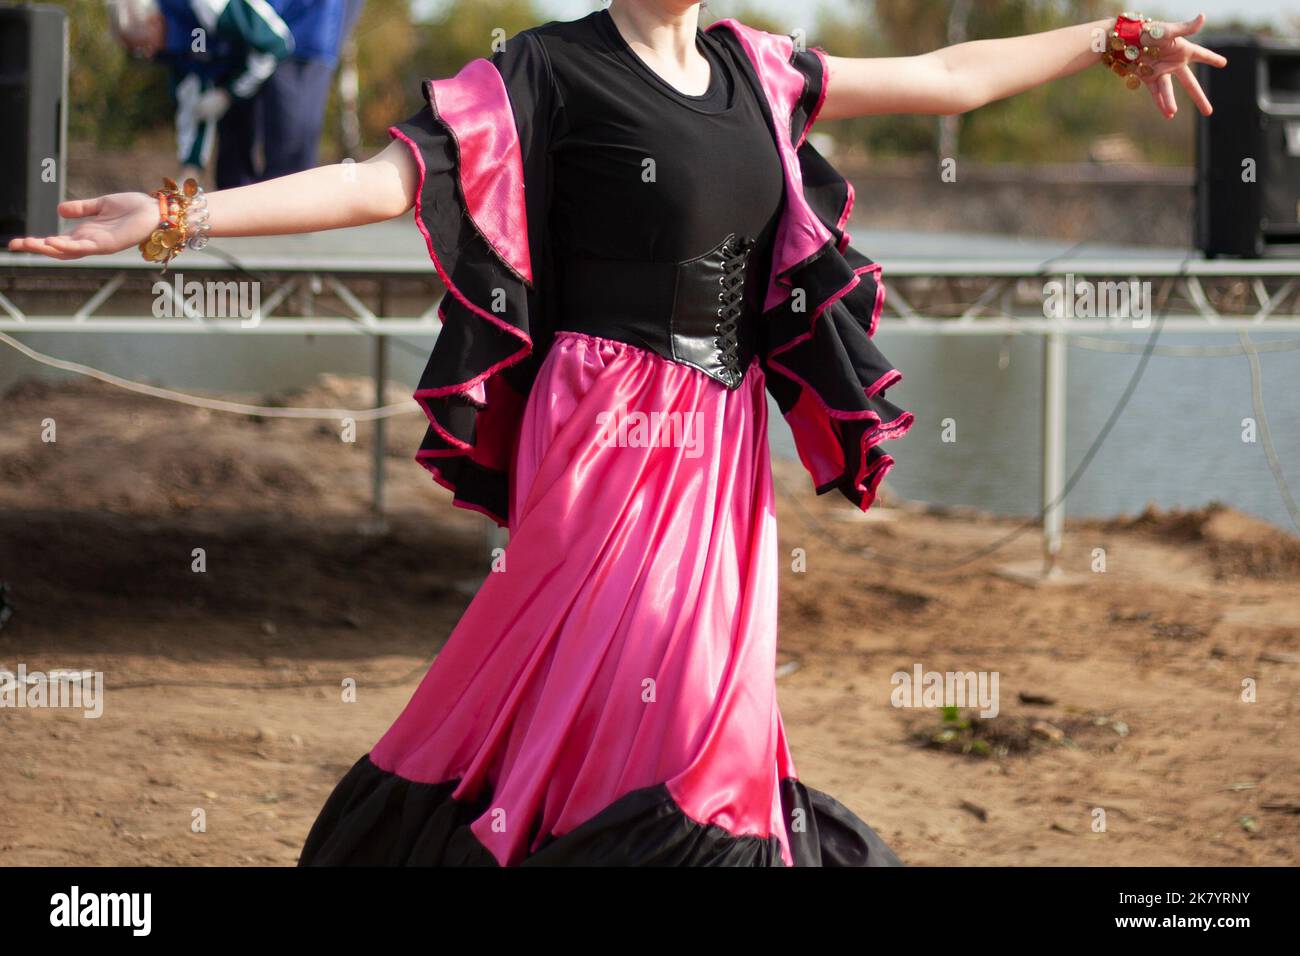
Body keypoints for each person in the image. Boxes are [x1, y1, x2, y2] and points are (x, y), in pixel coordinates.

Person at [10, 4, 1226, 866]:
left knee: (689, 710)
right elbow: (382, 183)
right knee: (677, 699)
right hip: (601, 435)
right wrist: (173, 213)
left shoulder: (762, 65)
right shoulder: (540, 72)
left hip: (720, 439)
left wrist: (1107, 36)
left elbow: (950, 76)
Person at [108, 0, 295, 184]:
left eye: (142, 46)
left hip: (295, 35)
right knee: (232, 166)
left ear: (154, 21)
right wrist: (190, 171)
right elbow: (194, 102)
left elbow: (275, 43)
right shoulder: (173, 50)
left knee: (288, 141)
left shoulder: (207, 5)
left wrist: (229, 94)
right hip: (241, 64)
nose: (146, 55)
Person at [216, 0, 363, 188]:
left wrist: (330, 35)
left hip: (303, 38)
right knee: (233, 161)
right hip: (240, 35)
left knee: (290, 169)